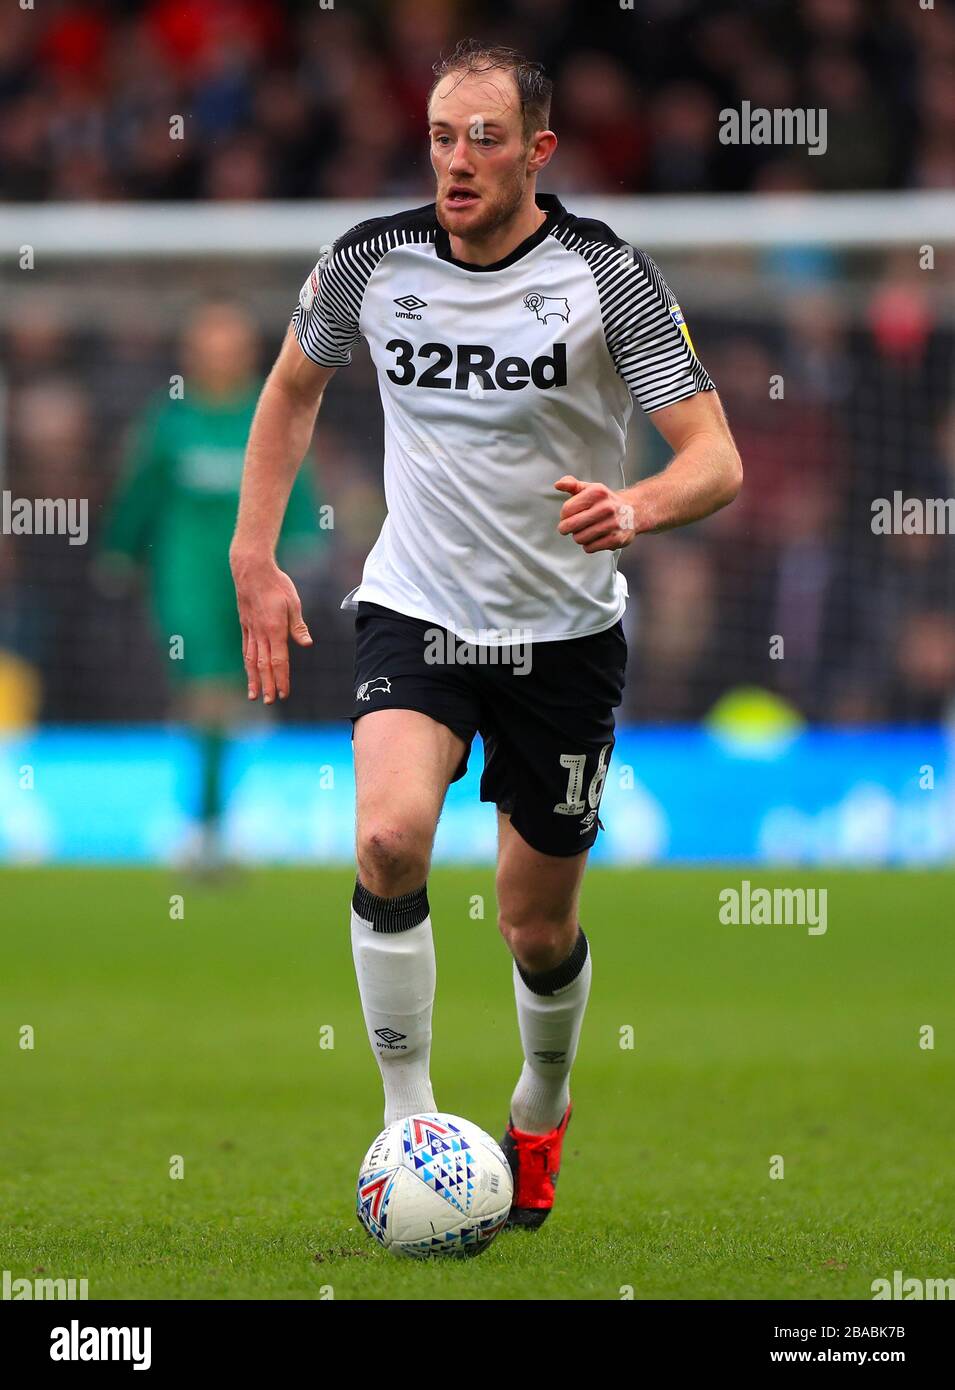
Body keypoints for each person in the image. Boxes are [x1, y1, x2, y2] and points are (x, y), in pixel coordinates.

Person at [230, 40, 742, 1229]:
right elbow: (291, 391)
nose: (457, 164)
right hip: (416, 605)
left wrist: (639, 505)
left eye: (486, 140)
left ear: (538, 152)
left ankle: (542, 1099)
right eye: (441, 138)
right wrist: (253, 559)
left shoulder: (605, 278)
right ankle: (411, 1124)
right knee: (390, 844)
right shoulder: (369, 260)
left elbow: (714, 456)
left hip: (563, 635)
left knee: (534, 921)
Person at [100, 300, 322, 867]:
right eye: (208, 348)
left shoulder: (264, 412)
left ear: (249, 354)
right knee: (210, 693)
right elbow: (140, 492)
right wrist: (120, 550)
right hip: (186, 576)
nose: (219, 359)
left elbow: (295, 481)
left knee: (230, 699)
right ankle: (206, 826)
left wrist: (303, 539)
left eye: (230, 348)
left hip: (253, 578)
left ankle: (210, 822)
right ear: (192, 356)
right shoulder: (171, 418)